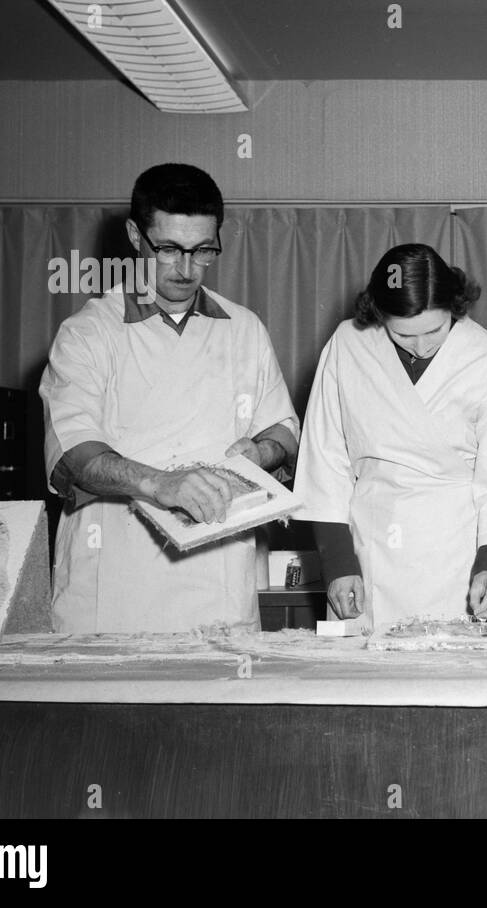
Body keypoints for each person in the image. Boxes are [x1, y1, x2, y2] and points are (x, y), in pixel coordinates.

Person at [39, 163, 299, 633]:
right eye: (169, 249)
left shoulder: (244, 329)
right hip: (114, 587)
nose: (186, 268)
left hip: (217, 583)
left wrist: (262, 452)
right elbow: (74, 455)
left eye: (203, 251)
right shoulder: (88, 333)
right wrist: (161, 484)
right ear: (135, 236)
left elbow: (284, 430)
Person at [295, 244, 487, 629]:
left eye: (434, 330)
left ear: (455, 307)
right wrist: (338, 562)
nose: (422, 346)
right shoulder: (349, 344)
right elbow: (324, 459)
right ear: (379, 315)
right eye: (403, 335)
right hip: (371, 553)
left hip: (460, 558)